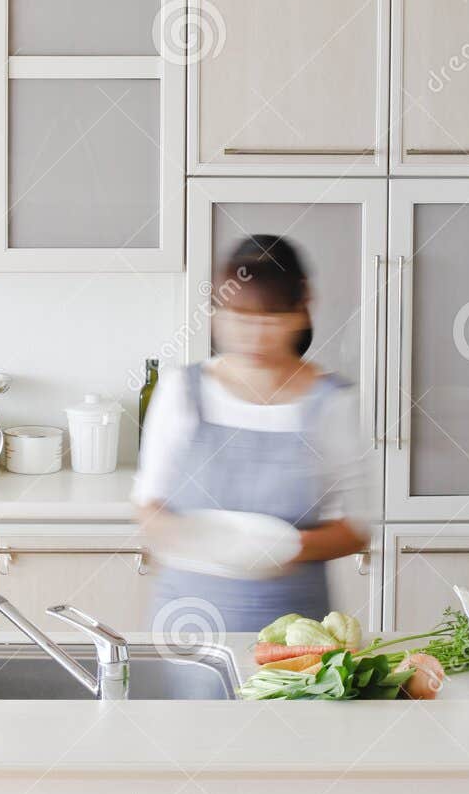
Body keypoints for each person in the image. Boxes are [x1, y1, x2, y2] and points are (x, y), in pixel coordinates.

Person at [134, 234, 373, 633]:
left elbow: (357, 528)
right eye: (240, 317)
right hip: (186, 624)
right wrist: (185, 536)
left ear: (302, 312)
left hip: (293, 632)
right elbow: (147, 505)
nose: (255, 335)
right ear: (216, 314)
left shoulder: (331, 402)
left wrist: (282, 550)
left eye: (272, 318)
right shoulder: (181, 391)